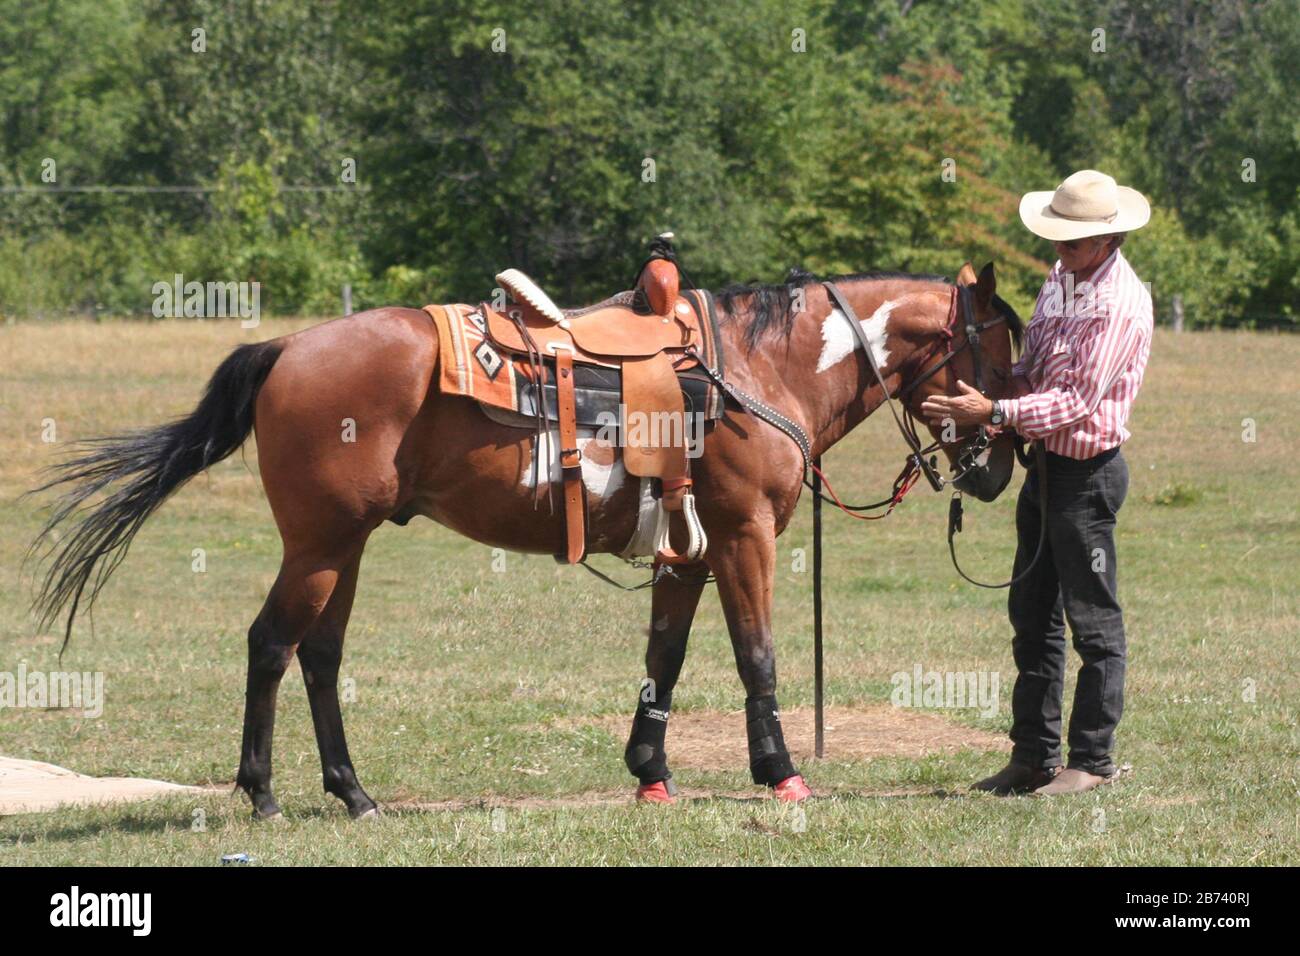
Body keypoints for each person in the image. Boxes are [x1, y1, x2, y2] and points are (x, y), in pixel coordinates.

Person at [920, 169, 1153, 796]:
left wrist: (995, 414)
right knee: (1032, 612)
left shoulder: (1119, 303)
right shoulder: (1061, 281)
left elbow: (1076, 401)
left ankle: (1091, 762)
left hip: (1087, 475)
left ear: (1108, 241)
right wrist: (995, 395)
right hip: (1047, 470)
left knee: (1092, 622)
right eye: (1057, 239)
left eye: (1071, 242)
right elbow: (1033, 366)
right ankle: (1033, 756)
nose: (1059, 251)